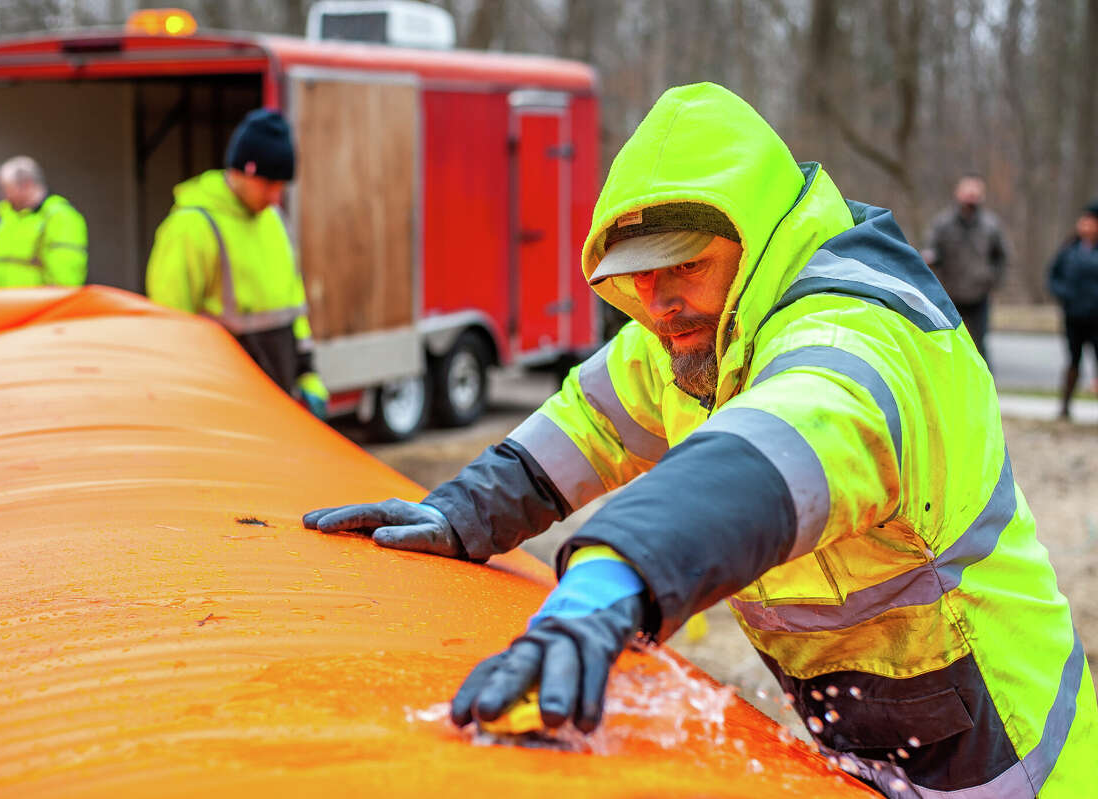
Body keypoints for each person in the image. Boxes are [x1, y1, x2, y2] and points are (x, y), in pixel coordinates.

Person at [304, 83, 1095, 797]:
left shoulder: (864, 331)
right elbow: (585, 424)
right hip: (877, 735)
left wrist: (612, 579)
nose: (659, 300)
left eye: (683, 265)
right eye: (638, 276)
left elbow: (784, 442)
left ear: (755, 245)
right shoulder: (689, 336)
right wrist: (463, 510)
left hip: (1014, 755)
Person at [145, 108, 327, 416]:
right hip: (223, 406)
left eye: (281, 186)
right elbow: (168, 326)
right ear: (242, 171)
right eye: (268, 184)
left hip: (279, 402)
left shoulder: (275, 222)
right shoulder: (191, 228)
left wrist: (308, 375)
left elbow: (292, 305)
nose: (275, 196)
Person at [0, 156, 87, 288]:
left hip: (39, 307)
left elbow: (66, 281)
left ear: (27, 184)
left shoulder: (61, 217)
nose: (3, 195)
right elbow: (8, 261)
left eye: (6, 188)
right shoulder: (11, 217)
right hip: (8, 306)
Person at [921, 174, 1009, 361]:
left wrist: (993, 281)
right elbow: (929, 251)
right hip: (949, 295)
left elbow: (1002, 256)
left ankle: (983, 387)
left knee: (979, 345)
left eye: (975, 192)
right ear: (958, 193)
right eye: (967, 191)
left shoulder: (990, 225)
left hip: (979, 295)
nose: (971, 196)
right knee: (948, 343)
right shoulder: (942, 223)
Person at [1047, 200, 1098, 420]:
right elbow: (1053, 275)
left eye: (1090, 222)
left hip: (1096, 316)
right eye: (1083, 221)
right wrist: (1064, 294)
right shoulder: (1069, 249)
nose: (1085, 226)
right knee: (1072, 361)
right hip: (1074, 315)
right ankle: (1065, 407)